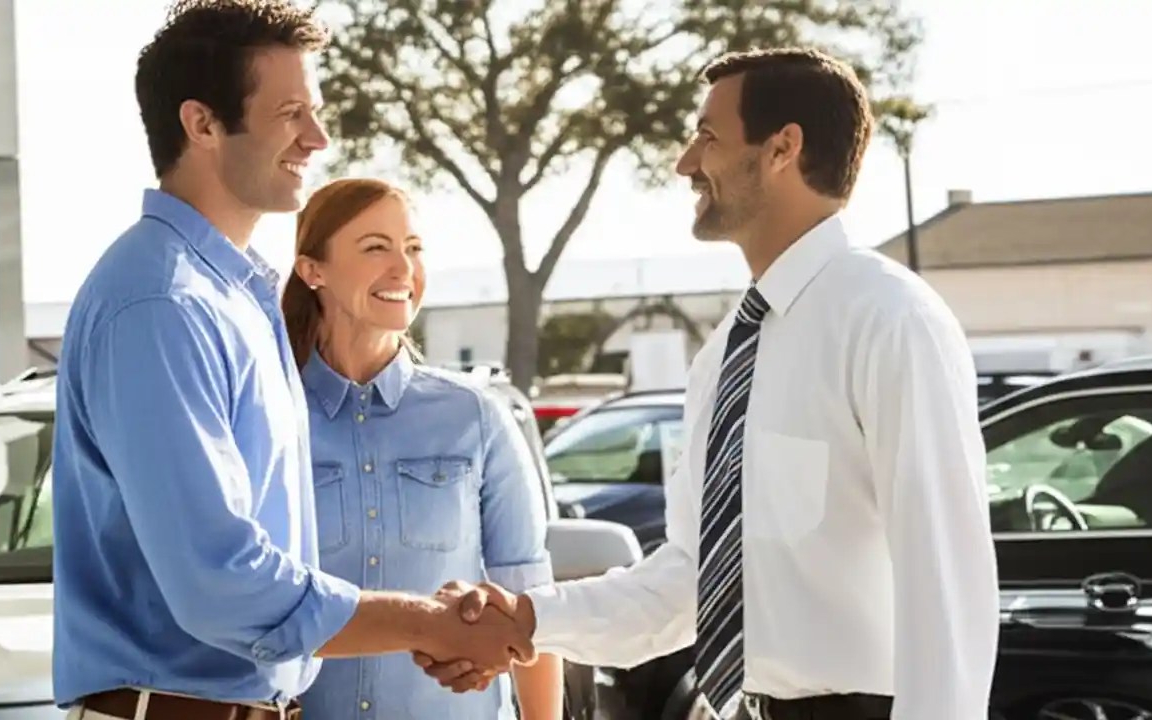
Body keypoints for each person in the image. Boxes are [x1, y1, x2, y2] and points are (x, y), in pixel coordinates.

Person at [417, 47, 1001, 720]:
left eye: (708, 137)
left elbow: (947, 583)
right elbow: (690, 585)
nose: (685, 163)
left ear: (782, 149)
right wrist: (525, 620)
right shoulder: (724, 352)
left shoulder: (892, 319)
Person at [51, 3, 530, 719]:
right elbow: (219, 581)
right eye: (291, 113)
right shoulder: (160, 305)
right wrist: (425, 624)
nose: (319, 136)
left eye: (317, 110)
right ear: (202, 124)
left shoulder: (235, 296)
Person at [280, 177, 564, 719]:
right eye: (375, 248)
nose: (402, 269)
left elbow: (530, 599)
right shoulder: (270, 416)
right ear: (312, 269)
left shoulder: (475, 418)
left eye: (412, 248)